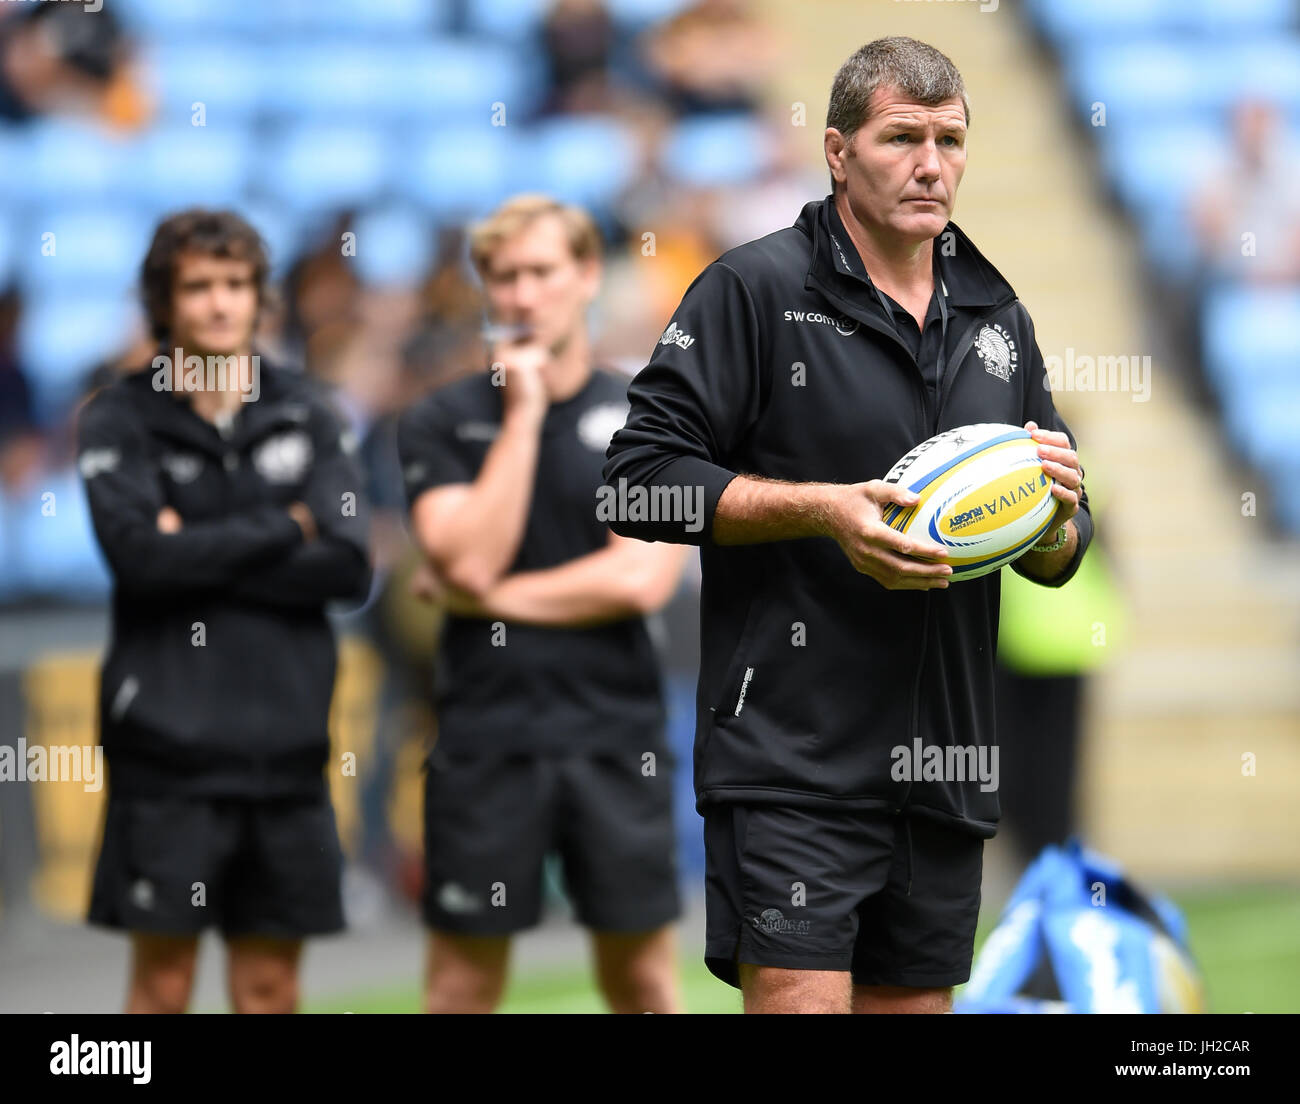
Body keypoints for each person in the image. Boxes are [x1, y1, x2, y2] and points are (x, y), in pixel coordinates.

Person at [604, 36, 1092, 1014]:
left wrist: (1049, 521)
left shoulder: (995, 317)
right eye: (900, 137)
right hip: (791, 768)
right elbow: (636, 483)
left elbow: (1058, 556)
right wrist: (823, 510)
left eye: (950, 141)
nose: (930, 164)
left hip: (944, 773)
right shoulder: (754, 291)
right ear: (836, 152)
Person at [398, 195, 690, 1014]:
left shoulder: (651, 414)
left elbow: (639, 580)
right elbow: (470, 550)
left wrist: (477, 593)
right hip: (485, 738)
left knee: (641, 978)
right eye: (504, 276)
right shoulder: (440, 421)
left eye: (542, 272)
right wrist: (522, 419)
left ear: (587, 276)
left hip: (614, 733)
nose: (524, 295)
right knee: (461, 984)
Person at [77, 209, 371, 1013]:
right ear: (163, 303)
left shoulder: (311, 411)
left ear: (258, 297)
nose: (218, 304)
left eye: (235, 285)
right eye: (198, 286)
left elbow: (348, 566)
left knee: (271, 989)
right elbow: (139, 562)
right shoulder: (119, 416)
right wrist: (285, 528)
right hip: (167, 758)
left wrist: (194, 545)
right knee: (163, 989)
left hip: (287, 751)